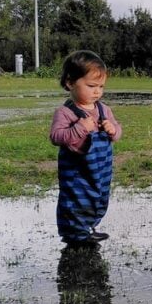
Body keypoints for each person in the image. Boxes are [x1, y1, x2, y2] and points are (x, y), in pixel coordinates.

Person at [50, 50, 122, 246]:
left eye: (101, 86)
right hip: (77, 171)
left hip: (100, 169)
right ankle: (75, 234)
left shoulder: (103, 109)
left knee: (98, 198)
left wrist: (112, 129)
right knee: (76, 200)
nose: (97, 91)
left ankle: (89, 227)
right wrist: (80, 128)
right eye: (91, 86)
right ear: (70, 83)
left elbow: (118, 133)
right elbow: (56, 137)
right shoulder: (65, 113)